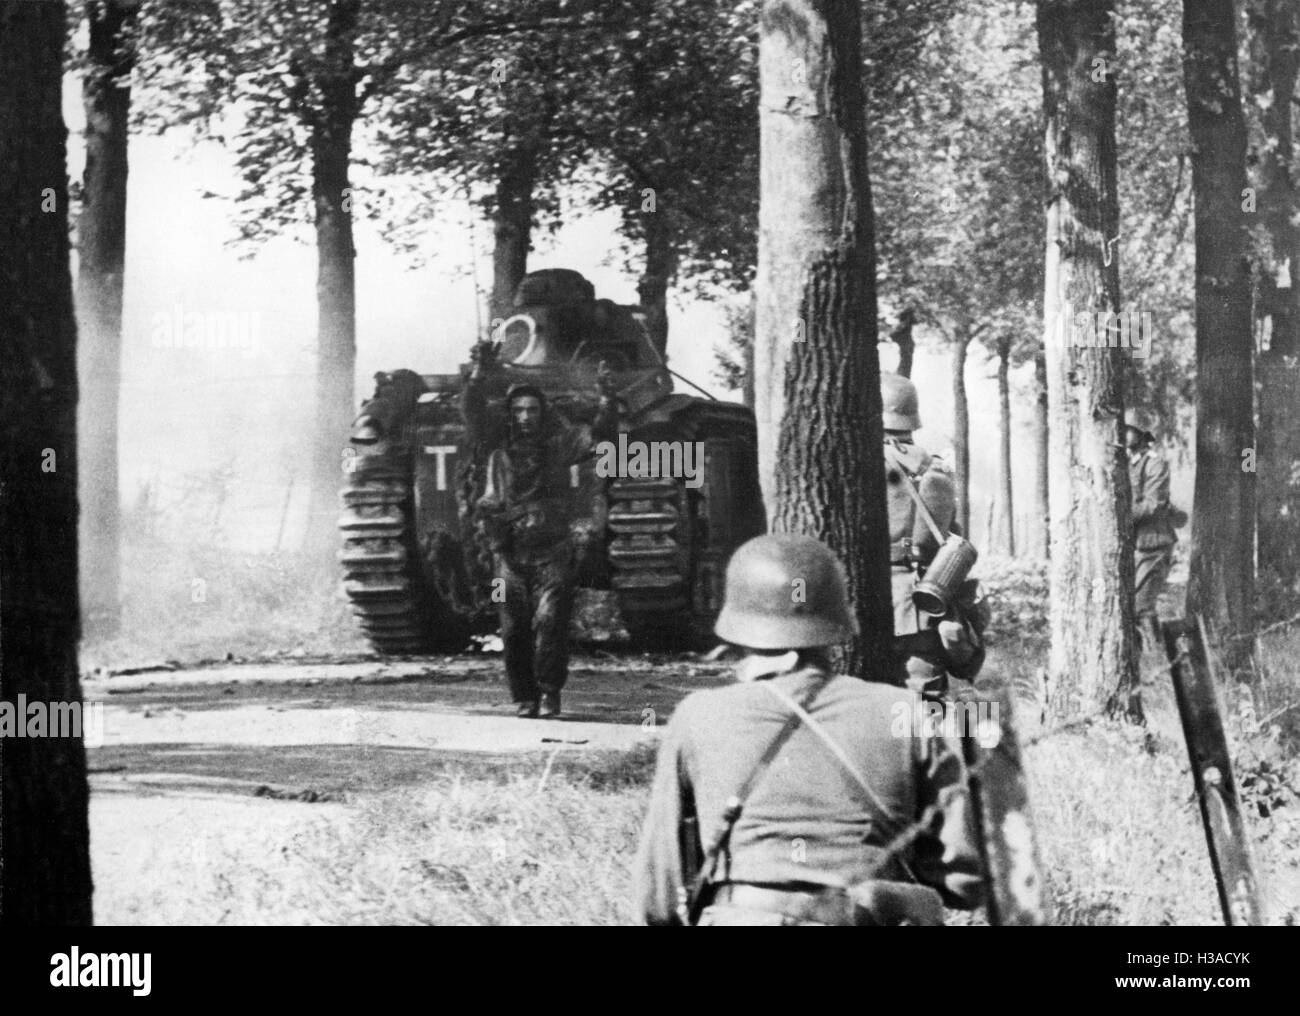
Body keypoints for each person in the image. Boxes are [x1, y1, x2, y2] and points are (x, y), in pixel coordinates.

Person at [632, 534, 985, 926]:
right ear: (835, 622)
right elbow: (966, 880)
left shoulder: (697, 717)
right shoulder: (905, 712)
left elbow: (658, 900)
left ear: (737, 626)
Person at [463, 341, 620, 718]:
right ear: (509, 414)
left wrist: (606, 401)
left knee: (550, 621)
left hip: (554, 551)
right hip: (508, 555)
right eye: (518, 410)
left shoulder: (559, 445)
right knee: (512, 627)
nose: (525, 416)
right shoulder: (497, 451)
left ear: (542, 413)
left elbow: (600, 438)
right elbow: (473, 414)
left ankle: (549, 692)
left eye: (532, 409)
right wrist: (479, 374)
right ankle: (524, 697)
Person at [880, 372, 985, 696]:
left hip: (867, 596)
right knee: (925, 700)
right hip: (925, 600)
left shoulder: (861, 463)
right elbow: (950, 537)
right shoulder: (935, 469)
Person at [1125, 408, 1176, 652]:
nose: (1124, 433)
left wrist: (1120, 517)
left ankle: (1157, 656)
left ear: (1142, 434)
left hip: (1154, 544)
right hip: (1135, 544)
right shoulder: (1126, 464)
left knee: (1142, 606)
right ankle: (1142, 659)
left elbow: (1153, 505)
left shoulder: (1155, 464)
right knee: (1130, 606)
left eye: (1130, 429)